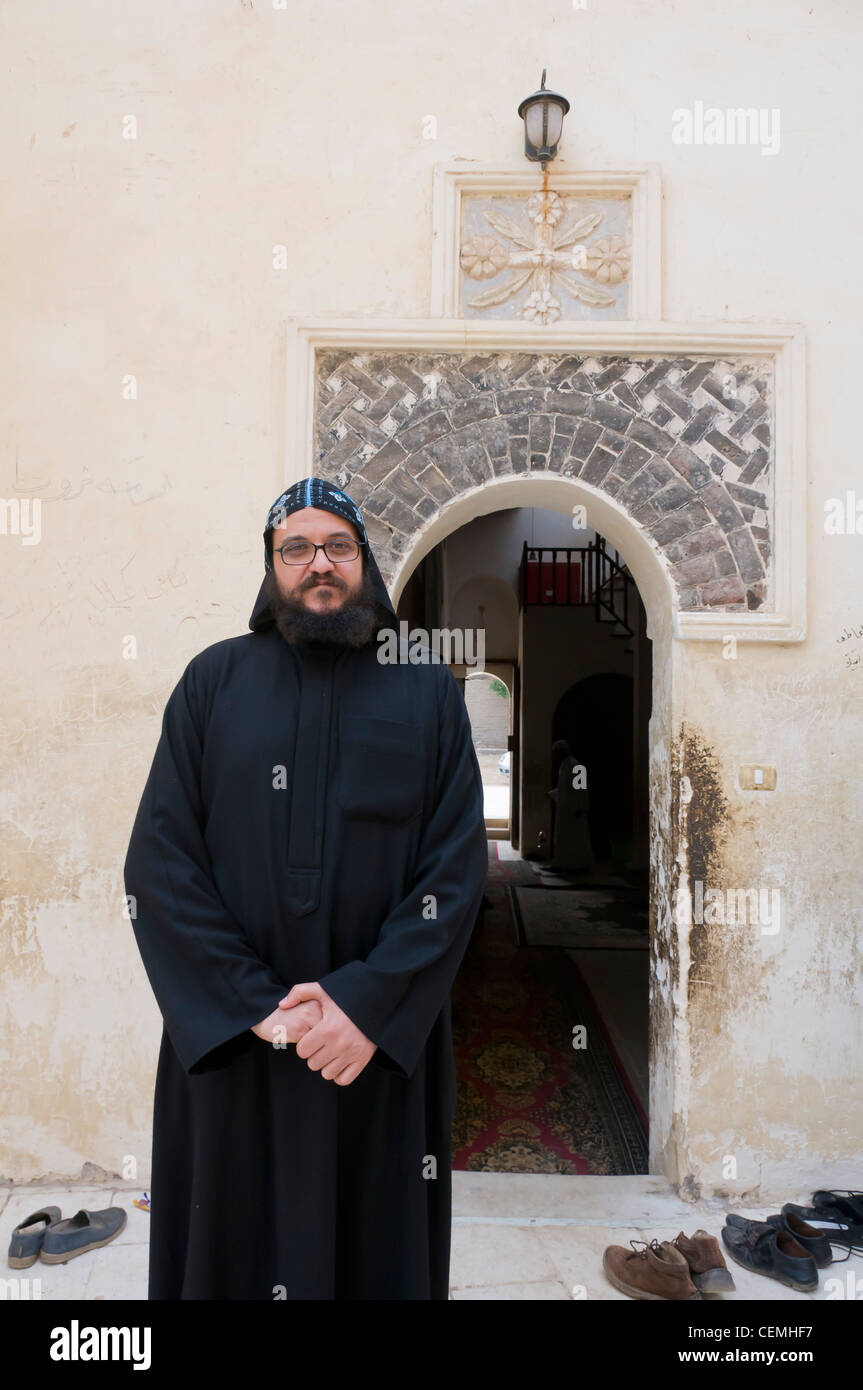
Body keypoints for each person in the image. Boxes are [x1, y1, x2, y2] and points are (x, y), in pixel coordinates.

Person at [124, 476, 489, 1300]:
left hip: (375, 1047)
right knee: (228, 1249)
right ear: (271, 568)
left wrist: (363, 1006)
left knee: (376, 1246)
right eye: (296, 548)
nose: (317, 563)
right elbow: (158, 861)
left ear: (365, 563)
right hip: (237, 1042)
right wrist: (254, 1004)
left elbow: (456, 868)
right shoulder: (211, 682)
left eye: (337, 547)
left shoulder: (426, 690)